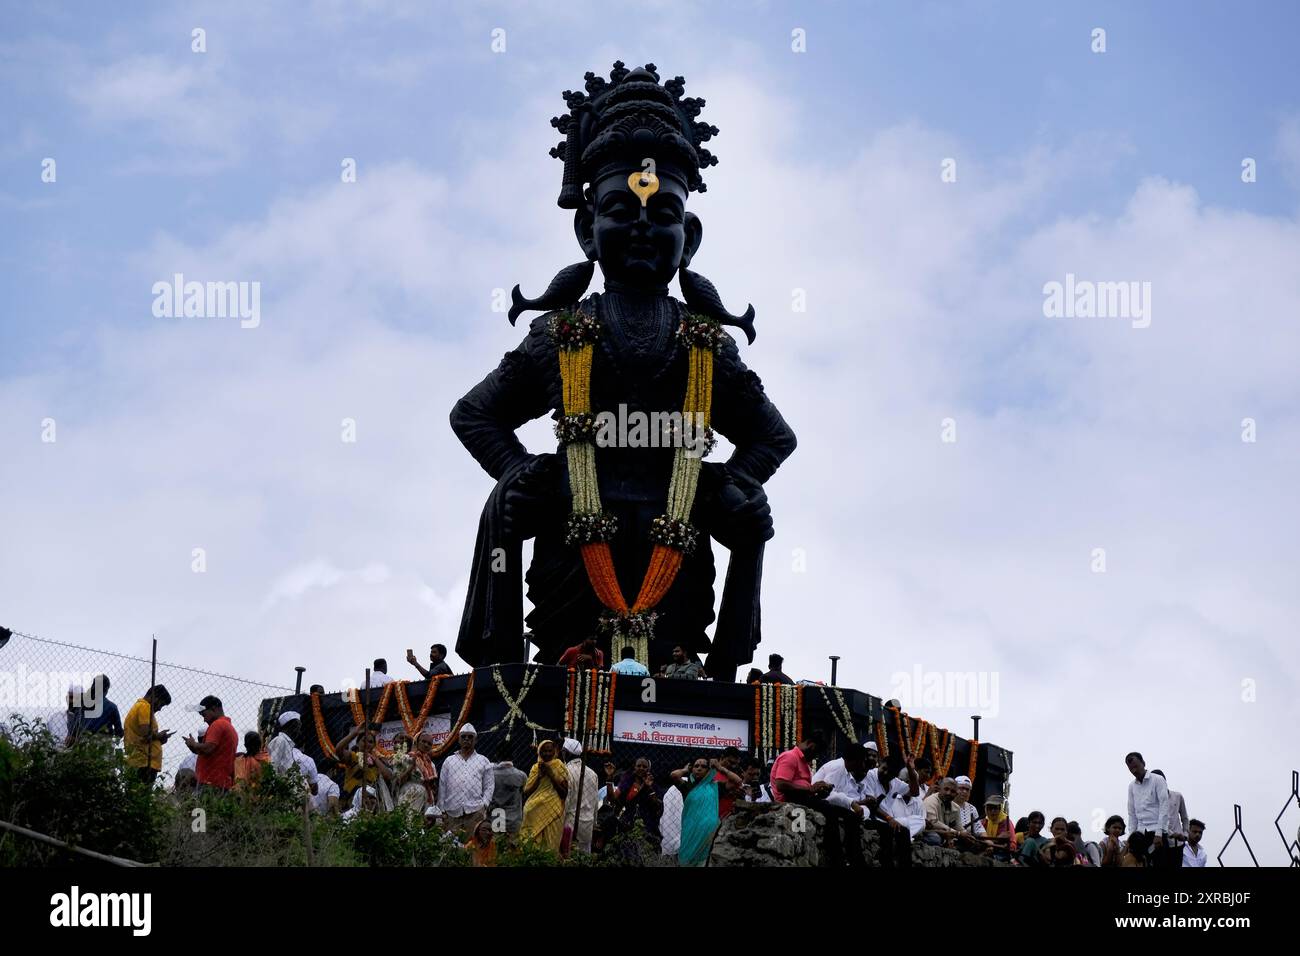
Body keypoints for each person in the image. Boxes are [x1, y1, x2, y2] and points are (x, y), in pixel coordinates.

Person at [770, 731, 865, 866]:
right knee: (830, 811)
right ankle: (836, 859)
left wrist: (819, 791)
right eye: (816, 752)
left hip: (804, 798)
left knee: (850, 816)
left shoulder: (804, 763)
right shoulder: (790, 756)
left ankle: (855, 859)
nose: (816, 756)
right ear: (810, 744)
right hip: (790, 799)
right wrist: (811, 789)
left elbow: (806, 788)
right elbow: (781, 784)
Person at [670, 756, 742, 866]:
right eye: (696, 766)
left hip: (710, 833)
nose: (699, 768)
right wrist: (685, 770)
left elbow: (737, 781)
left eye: (703, 766)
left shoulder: (716, 786)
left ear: (709, 771)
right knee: (687, 861)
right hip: (691, 831)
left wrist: (720, 768)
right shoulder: (687, 786)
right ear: (692, 769)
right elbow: (674, 775)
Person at [439, 723, 495, 838]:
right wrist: (442, 809)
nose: (466, 739)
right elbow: (442, 785)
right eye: (463, 736)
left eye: (470, 737)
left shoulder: (483, 760)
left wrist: (484, 804)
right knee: (451, 844)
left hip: (475, 811)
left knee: (473, 843)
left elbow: (489, 785)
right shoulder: (449, 761)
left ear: (475, 740)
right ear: (459, 740)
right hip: (451, 811)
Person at [521, 739, 569, 850]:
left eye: (550, 751)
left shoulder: (559, 766)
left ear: (554, 752)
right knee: (531, 845)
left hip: (553, 809)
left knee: (550, 846)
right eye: (544, 751)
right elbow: (527, 792)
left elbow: (564, 793)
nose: (547, 754)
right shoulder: (535, 768)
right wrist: (539, 777)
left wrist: (551, 775)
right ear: (539, 752)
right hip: (534, 809)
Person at [185, 695, 238, 792]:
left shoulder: (218, 724)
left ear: (213, 709)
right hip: (221, 783)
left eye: (204, 715)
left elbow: (208, 748)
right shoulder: (229, 727)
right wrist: (192, 746)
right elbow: (207, 752)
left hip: (211, 783)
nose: (204, 720)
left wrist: (194, 744)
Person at [1126, 752, 1170, 865]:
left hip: (1157, 832)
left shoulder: (1158, 779)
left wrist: (1159, 833)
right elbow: (1132, 813)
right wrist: (1131, 838)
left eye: (1136, 766)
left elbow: (1164, 807)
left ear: (1143, 763)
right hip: (1140, 835)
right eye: (1131, 769)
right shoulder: (1131, 787)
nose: (1134, 771)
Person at [124, 684, 172, 785]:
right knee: (142, 792)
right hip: (144, 762)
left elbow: (143, 737)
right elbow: (145, 734)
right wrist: (159, 735)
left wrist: (159, 740)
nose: (160, 709)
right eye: (161, 704)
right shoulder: (145, 706)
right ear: (155, 697)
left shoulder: (140, 706)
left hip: (139, 760)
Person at [334, 723, 394, 803]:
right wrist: (354, 734)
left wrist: (375, 759)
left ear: (374, 745)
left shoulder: (376, 762)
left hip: (372, 800)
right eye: (364, 740)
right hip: (353, 798)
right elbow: (338, 750)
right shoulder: (353, 757)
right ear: (357, 743)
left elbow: (389, 777)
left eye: (370, 742)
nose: (367, 744)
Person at [609, 757, 663, 843]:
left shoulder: (653, 785)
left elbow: (658, 806)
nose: (641, 768)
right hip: (628, 822)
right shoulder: (627, 782)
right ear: (634, 767)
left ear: (648, 769)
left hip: (647, 824)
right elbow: (612, 799)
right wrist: (609, 779)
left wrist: (648, 787)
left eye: (644, 766)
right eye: (639, 766)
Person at [562, 737, 600, 854]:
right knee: (584, 857)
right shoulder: (592, 773)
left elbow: (566, 801)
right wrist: (594, 824)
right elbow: (595, 803)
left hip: (569, 824)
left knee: (567, 856)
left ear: (566, 753)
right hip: (587, 824)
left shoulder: (566, 771)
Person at [923, 777, 977, 848]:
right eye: (946, 789)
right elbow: (933, 822)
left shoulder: (956, 808)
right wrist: (958, 833)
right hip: (930, 833)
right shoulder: (930, 801)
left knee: (968, 842)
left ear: (956, 794)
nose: (948, 793)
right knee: (935, 838)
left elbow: (959, 827)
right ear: (939, 789)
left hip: (948, 836)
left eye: (952, 791)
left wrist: (967, 836)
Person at [1152, 769, 1190, 858]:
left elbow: (1185, 818)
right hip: (1162, 843)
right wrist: (1171, 834)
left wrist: (1185, 834)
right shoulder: (1152, 802)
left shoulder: (1177, 796)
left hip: (1178, 844)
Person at [490, 750, 528, 836]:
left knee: (495, 842)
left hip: (495, 817)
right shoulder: (521, 775)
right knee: (513, 843)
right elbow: (525, 794)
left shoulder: (491, 775)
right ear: (513, 756)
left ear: (496, 756)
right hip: (514, 819)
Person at [980, 794, 1016, 859]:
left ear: (1000, 809)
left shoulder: (1006, 822)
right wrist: (998, 838)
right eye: (990, 808)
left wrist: (993, 846)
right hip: (986, 850)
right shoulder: (984, 822)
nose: (992, 811)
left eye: (995, 808)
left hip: (1002, 853)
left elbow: (1012, 846)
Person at [953, 776, 987, 840]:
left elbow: (979, 829)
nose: (965, 791)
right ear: (954, 789)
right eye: (962, 788)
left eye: (967, 789)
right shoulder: (946, 804)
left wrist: (988, 842)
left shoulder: (972, 808)